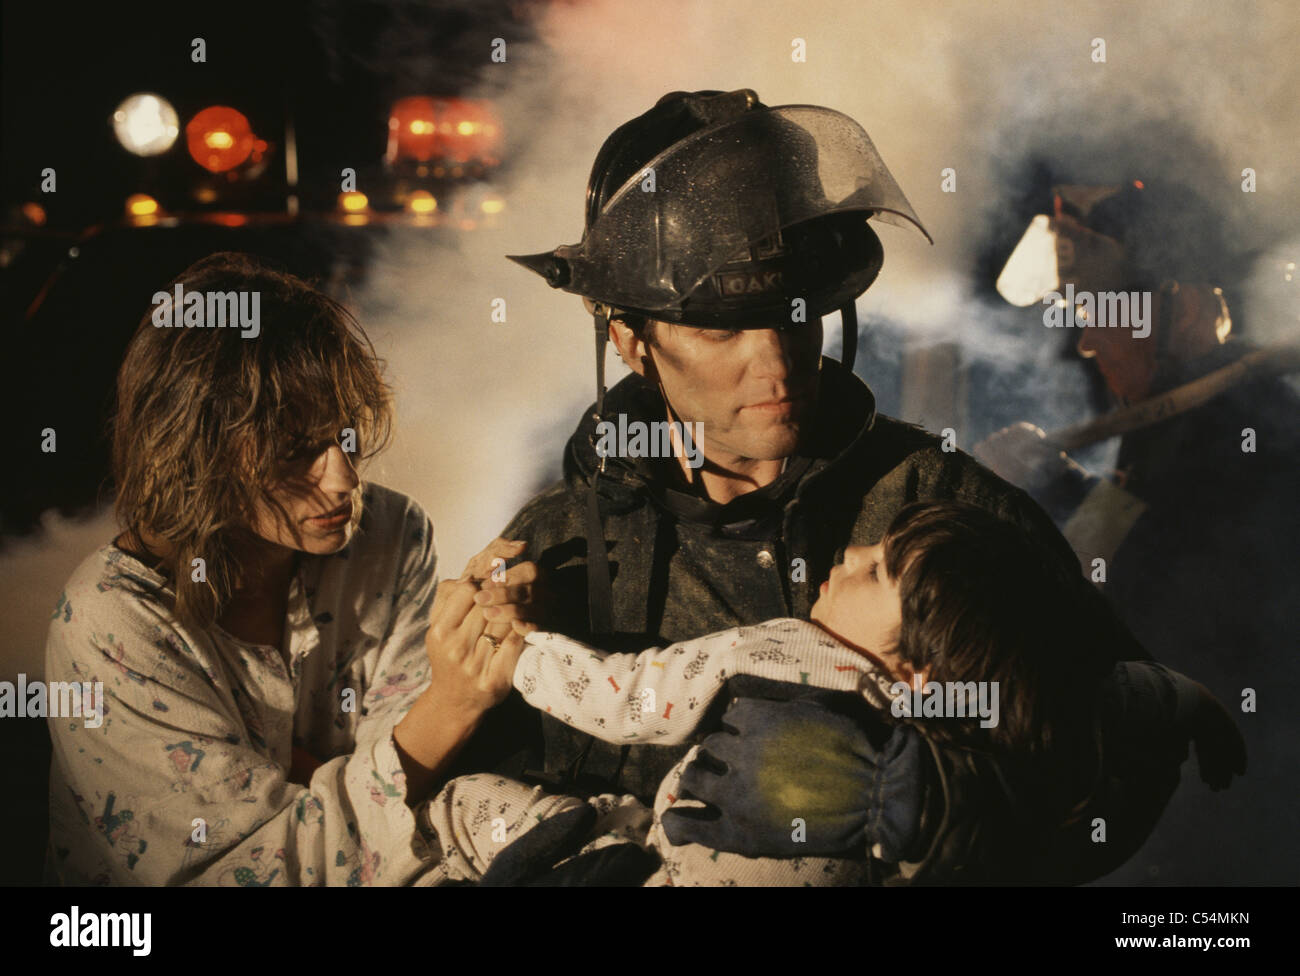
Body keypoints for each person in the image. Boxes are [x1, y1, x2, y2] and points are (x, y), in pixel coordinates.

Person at [494, 90, 1206, 882]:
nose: (775, 361)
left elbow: (1119, 766)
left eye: (794, 314)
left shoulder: (946, 513)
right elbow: (445, 807)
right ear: (631, 339)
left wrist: (940, 809)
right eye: (722, 327)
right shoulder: (557, 548)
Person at [421, 501, 1242, 886]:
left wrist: (517, 651)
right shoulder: (1002, 725)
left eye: (876, 571)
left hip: (662, 864)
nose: (848, 556)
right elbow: (1120, 697)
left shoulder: (791, 653)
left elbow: (626, 697)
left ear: (919, 669)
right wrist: (1198, 706)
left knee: (469, 807)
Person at [44, 252, 540, 885]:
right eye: (295, 452)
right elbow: (247, 870)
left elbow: (416, 798)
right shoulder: (110, 623)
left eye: (345, 435)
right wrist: (453, 703)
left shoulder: (389, 535)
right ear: (198, 450)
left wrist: (476, 635)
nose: (344, 480)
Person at [978, 179, 1300, 882]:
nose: (1087, 341)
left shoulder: (1248, 429)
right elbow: (1129, 538)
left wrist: (1046, 498)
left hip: (1237, 810)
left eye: (1100, 313)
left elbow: (1163, 599)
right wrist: (1056, 485)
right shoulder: (1173, 420)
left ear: (1184, 308)